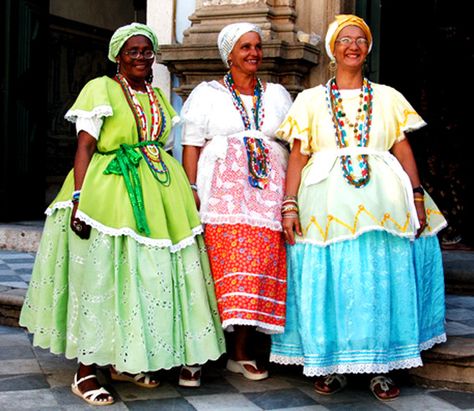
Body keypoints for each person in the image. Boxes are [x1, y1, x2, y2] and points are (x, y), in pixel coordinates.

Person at [19, 23, 225, 406]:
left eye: (147, 51)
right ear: (118, 56)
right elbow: (85, 146)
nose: (142, 57)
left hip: (159, 194)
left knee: (144, 278)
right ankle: (85, 371)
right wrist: (80, 198)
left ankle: (125, 360)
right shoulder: (101, 89)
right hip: (109, 192)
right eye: (133, 51)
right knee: (102, 278)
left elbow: (161, 143)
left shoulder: (156, 94)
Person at [270, 15, 447, 401]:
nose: (353, 46)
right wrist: (289, 205)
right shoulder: (310, 99)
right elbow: (298, 157)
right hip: (325, 203)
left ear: (367, 49)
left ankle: (380, 366)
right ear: (333, 50)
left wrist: (417, 197)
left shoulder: (387, 96)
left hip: (384, 200)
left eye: (361, 40)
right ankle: (331, 365)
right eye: (345, 39)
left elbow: (402, 148)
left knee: (378, 277)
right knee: (335, 278)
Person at [181, 22, 292, 380]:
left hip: (266, 198)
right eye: (245, 47)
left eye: (257, 46)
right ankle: (196, 353)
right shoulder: (208, 92)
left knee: (257, 268)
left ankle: (240, 352)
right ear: (229, 54)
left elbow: (293, 144)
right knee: (215, 268)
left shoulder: (275, 94)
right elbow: (191, 144)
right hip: (221, 196)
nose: (254, 53)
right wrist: (191, 191)